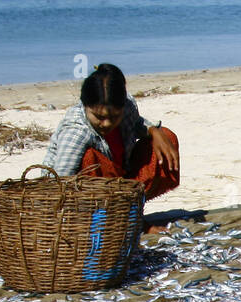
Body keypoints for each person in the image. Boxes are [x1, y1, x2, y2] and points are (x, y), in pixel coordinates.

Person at [42, 63, 180, 201]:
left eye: (114, 117)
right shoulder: (76, 131)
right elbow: (60, 182)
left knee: (166, 136)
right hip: (85, 195)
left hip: (121, 179)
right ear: (85, 106)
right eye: (99, 117)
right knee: (89, 157)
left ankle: (130, 208)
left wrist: (153, 130)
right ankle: (105, 215)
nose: (107, 123)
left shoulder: (127, 106)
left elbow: (136, 123)